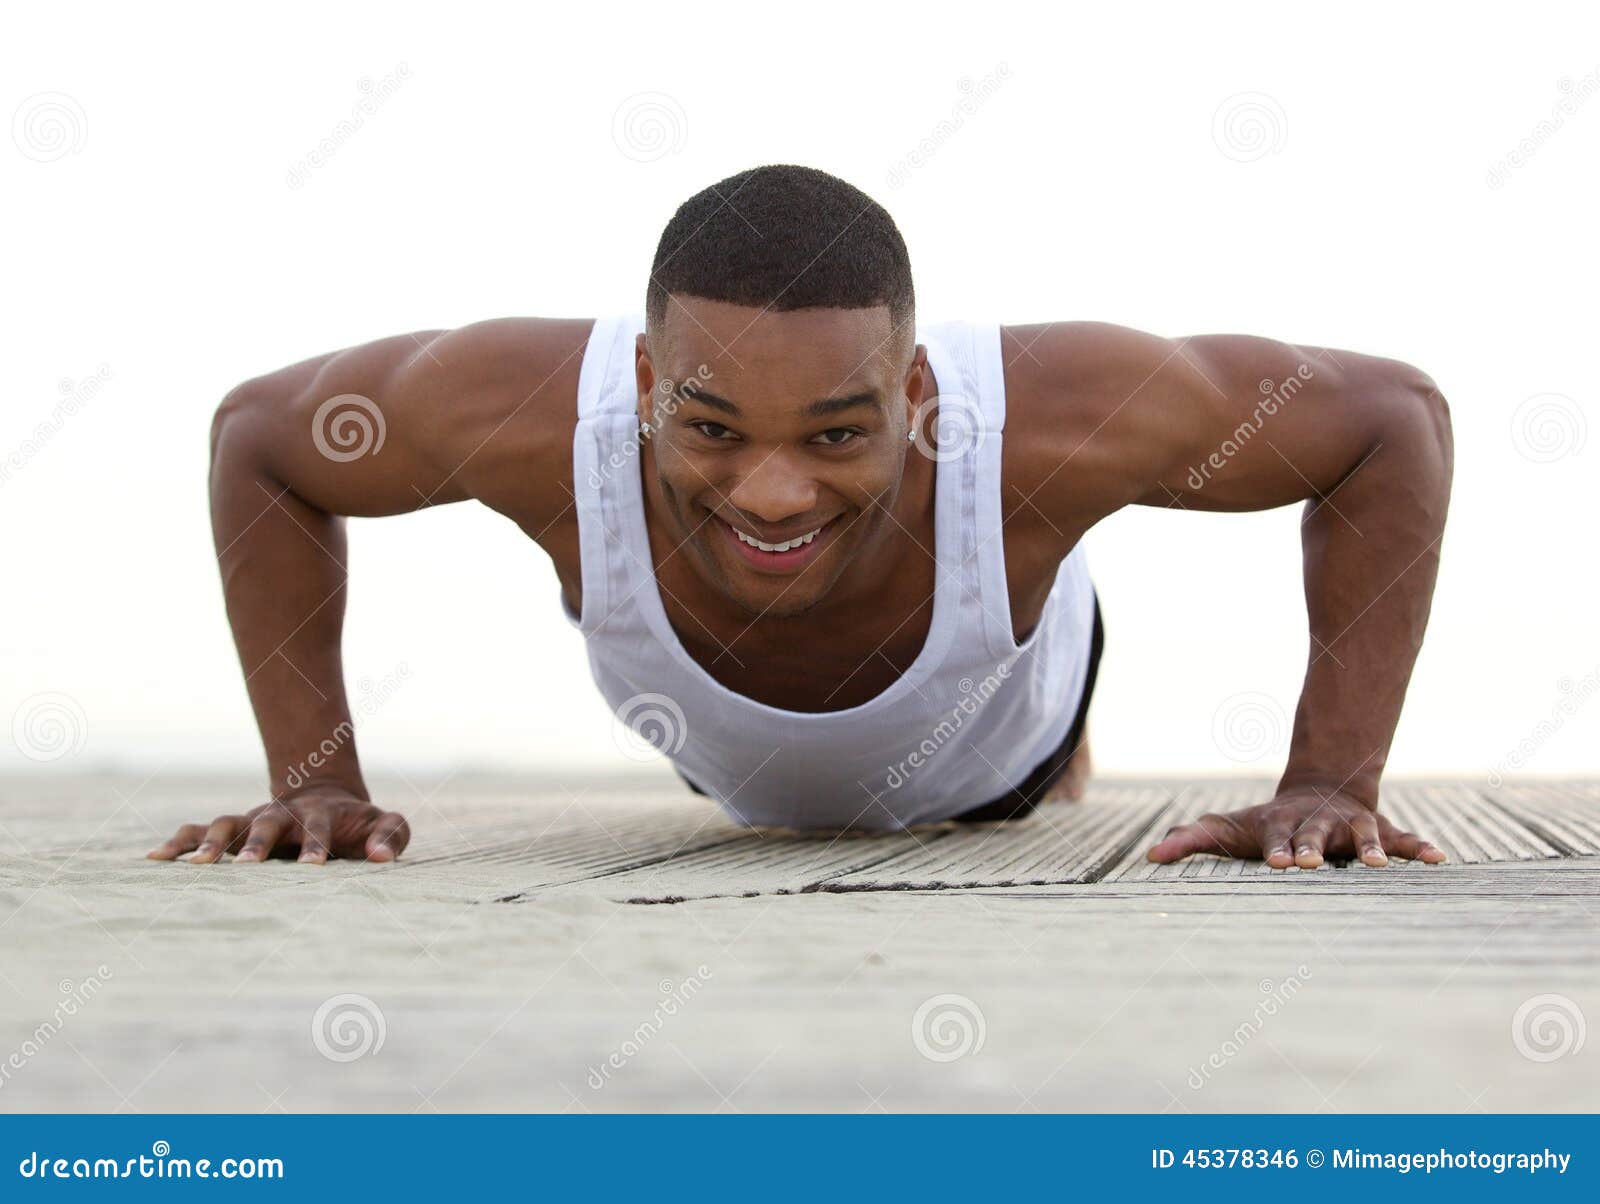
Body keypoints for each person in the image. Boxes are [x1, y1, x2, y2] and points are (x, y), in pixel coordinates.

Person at [147, 164, 1451, 870]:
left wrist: (1330, 782)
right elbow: (262, 442)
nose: (773, 492)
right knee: (768, 728)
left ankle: (1062, 719)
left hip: (1002, 726)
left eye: (836, 432)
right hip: (717, 742)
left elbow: (1391, 422)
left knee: (1038, 754)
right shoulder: (530, 411)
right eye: (712, 430)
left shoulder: (1054, 417)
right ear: (647, 389)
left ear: (917, 390)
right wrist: (315, 781)